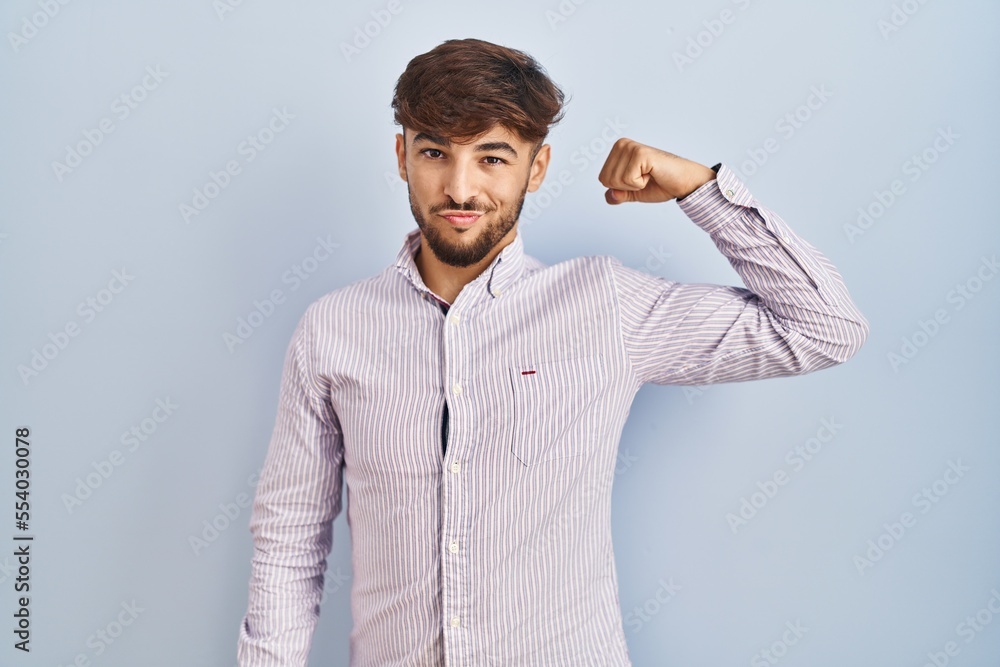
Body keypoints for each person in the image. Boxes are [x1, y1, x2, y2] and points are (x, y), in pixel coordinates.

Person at [237, 37, 868, 666]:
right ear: (402, 157)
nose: (460, 189)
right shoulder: (334, 329)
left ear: (535, 169)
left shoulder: (603, 307)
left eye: (492, 158)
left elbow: (825, 327)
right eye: (435, 152)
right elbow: (290, 543)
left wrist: (698, 189)